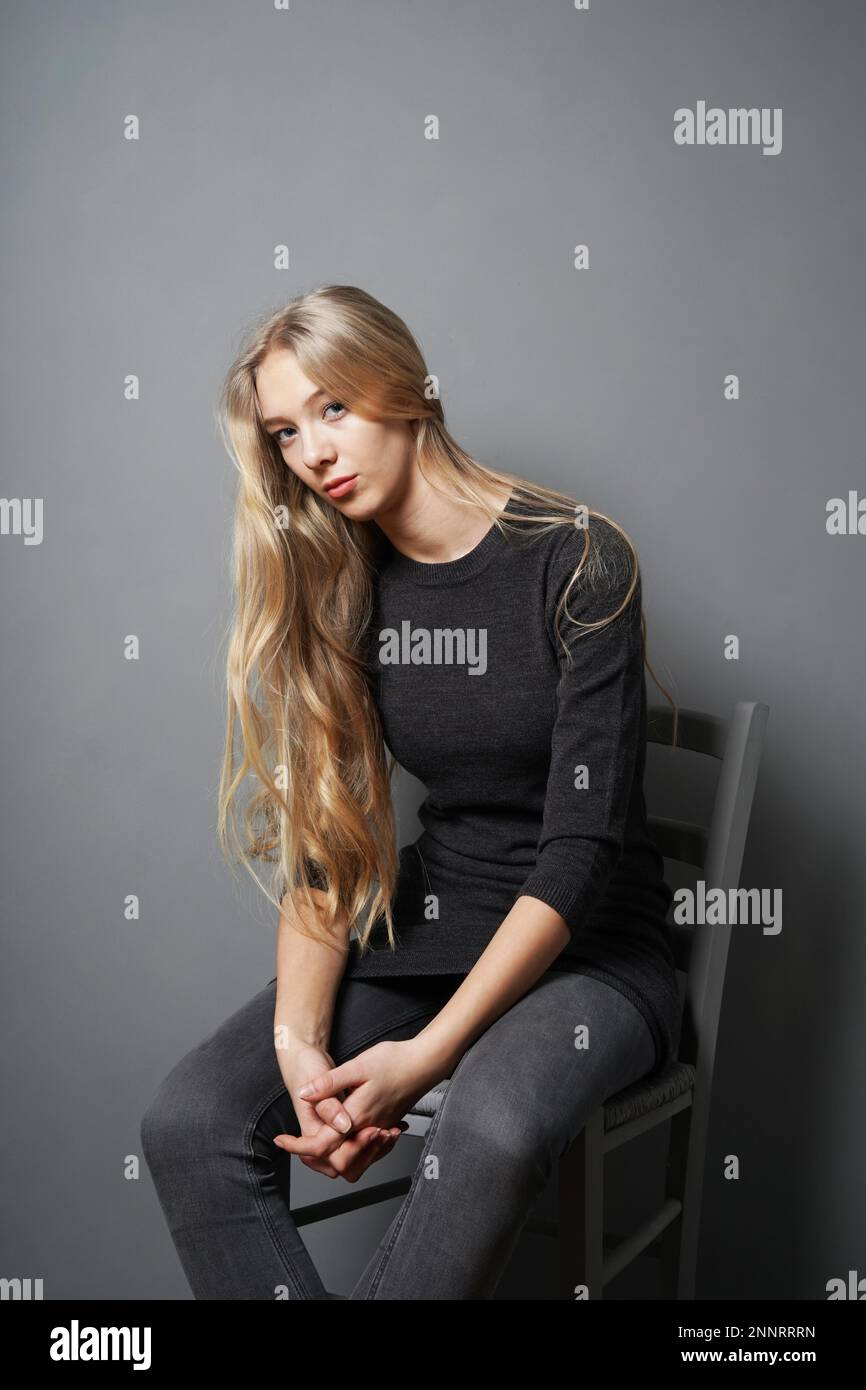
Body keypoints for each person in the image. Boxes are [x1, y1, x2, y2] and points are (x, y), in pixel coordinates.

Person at [140, 284, 684, 1300]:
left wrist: (425, 1058)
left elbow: (579, 852)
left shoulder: (576, 560)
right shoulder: (346, 584)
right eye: (285, 431)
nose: (312, 452)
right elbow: (324, 847)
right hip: (434, 924)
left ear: (404, 386)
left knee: (489, 1120)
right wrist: (296, 1047)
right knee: (192, 1121)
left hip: (592, 951)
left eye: (332, 408)